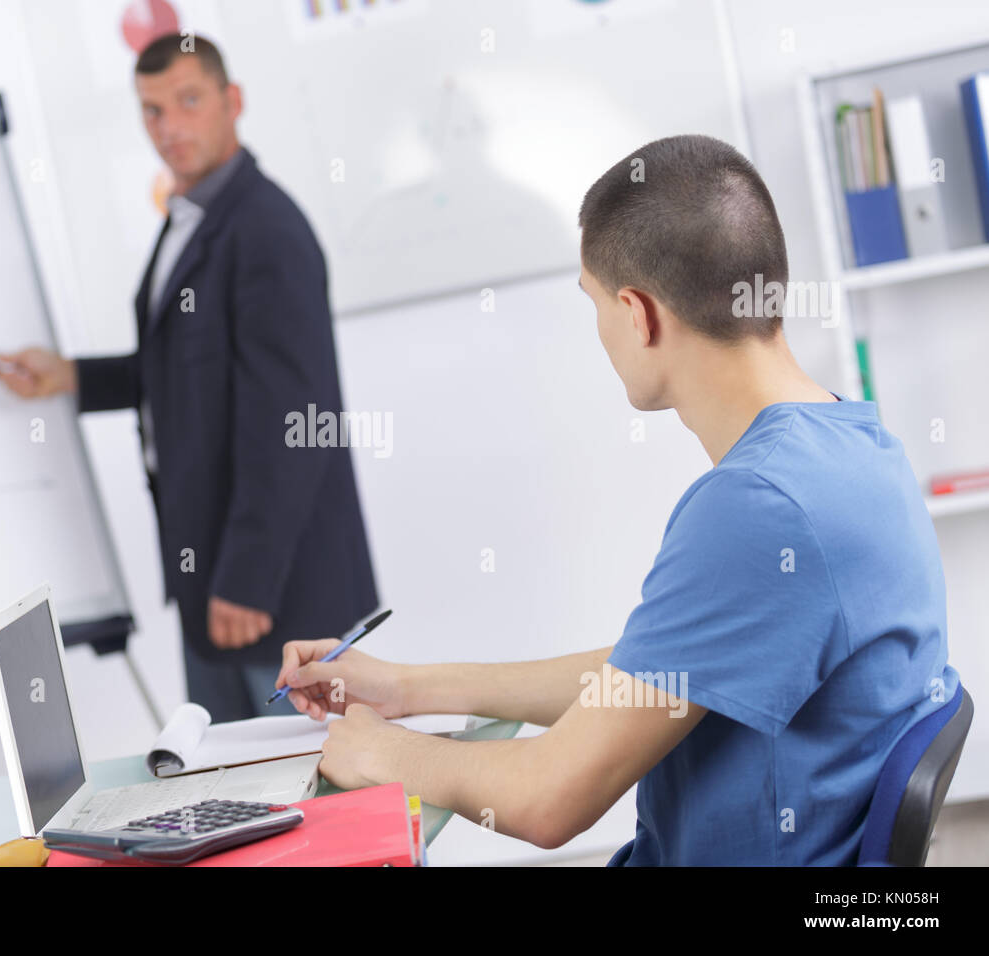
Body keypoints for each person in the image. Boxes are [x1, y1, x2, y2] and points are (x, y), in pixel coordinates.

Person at [274, 134, 960, 865]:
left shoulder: (757, 507)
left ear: (639, 314)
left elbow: (547, 800)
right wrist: (405, 688)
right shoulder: (854, 445)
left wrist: (384, 753)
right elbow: (656, 674)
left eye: (592, 303)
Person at [0, 34, 377, 722]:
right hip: (214, 589)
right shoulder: (190, 221)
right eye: (151, 111)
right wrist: (70, 378)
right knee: (236, 808)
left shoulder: (266, 231)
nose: (169, 127)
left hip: (274, 597)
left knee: (319, 809)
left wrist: (248, 579)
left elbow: (297, 421)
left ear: (233, 102)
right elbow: (181, 370)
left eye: (188, 101)